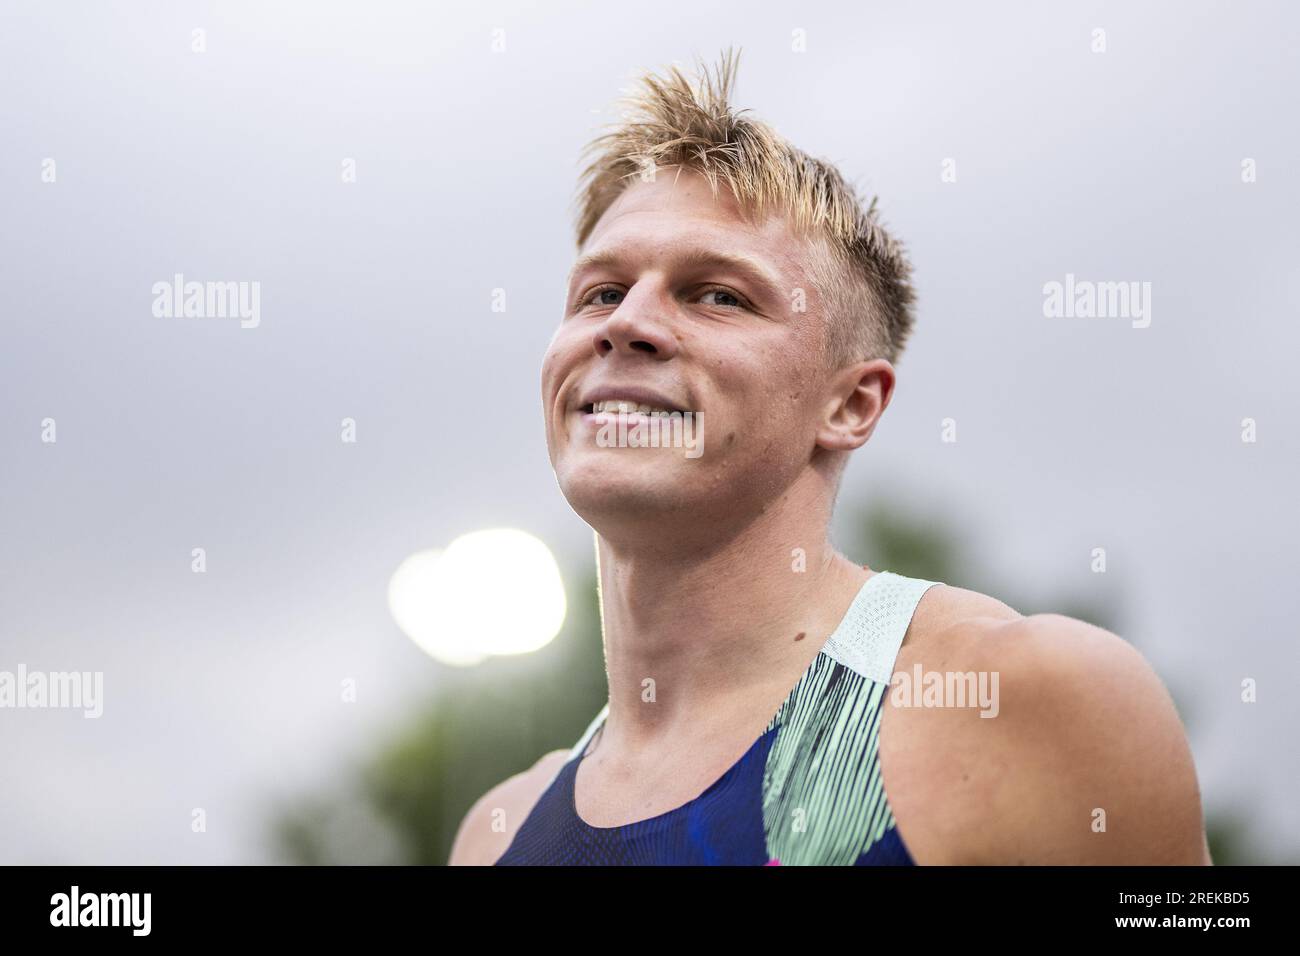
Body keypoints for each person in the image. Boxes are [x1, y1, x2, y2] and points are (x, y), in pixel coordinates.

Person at [450, 50, 1211, 865]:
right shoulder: (497, 831)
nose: (627, 323)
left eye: (719, 295)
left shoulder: (1024, 702)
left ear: (850, 404)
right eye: (600, 291)